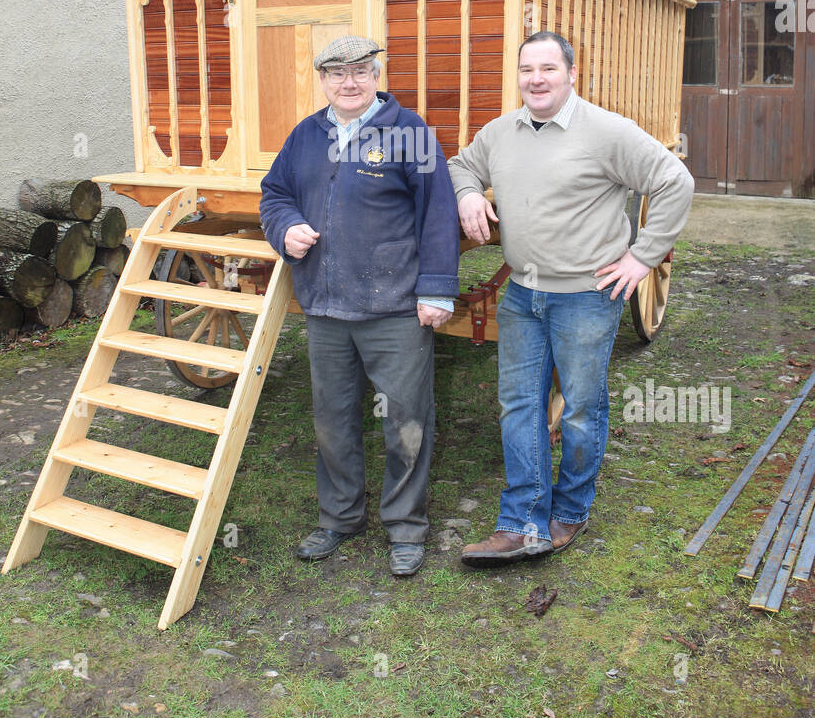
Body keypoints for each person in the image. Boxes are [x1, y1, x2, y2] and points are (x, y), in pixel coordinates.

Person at [448, 31, 694, 566]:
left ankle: (572, 511)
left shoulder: (606, 131)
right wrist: (468, 193)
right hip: (522, 295)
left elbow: (675, 180)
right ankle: (521, 522)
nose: (536, 79)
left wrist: (643, 255)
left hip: (587, 295)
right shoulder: (501, 132)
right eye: (526, 69)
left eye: (548, 69)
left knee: (581, 410)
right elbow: (461, 166)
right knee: (519, 406)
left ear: (571, 74)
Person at [259, 35, 461, 577]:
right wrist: (284, 229)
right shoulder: (306, 135)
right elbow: (274, 193)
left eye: (360, 71)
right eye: (337, 73)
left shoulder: (409, 132)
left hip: (394, 308)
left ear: (376, 75)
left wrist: (437, 291)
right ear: (322, 79)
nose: (349, 82)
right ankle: (340, 517)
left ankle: (405, 527)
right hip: (325, 307)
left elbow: (438, 212)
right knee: (333, 420)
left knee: (406, 421)